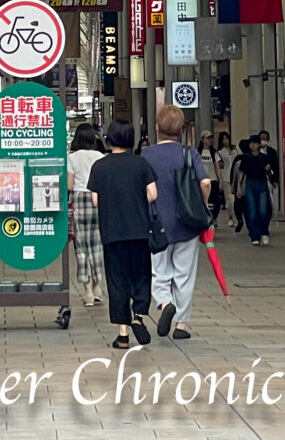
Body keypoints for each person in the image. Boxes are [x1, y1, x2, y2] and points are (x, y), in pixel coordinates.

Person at [142, 105, 213, 340]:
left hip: (156, 222)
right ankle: (181, 325)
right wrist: (201, 206)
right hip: (187, 224)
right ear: (181, 129)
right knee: (184, 275)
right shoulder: (189, 152)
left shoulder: (147, 154)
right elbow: (205, 183)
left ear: (157, 128)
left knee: (158, 271)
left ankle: (164, 304)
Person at [87, 118, 159, 349]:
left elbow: (95, 200)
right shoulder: (141, 163)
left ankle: (123, 335)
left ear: (109, 139)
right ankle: (138, 313)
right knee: (141, 275)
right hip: (139, 230)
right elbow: (153, 193)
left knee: (118, 281)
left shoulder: (100, 166)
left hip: (112, 232)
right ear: (131, 139)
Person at [67, 123, 107, 308]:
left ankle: (88, 292)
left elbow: (69, 185)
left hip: (79, 200)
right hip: (98, 199)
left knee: (81, 247)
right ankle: (98, 287)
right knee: (98, 245)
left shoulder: (72, 157)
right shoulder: (100, 156)